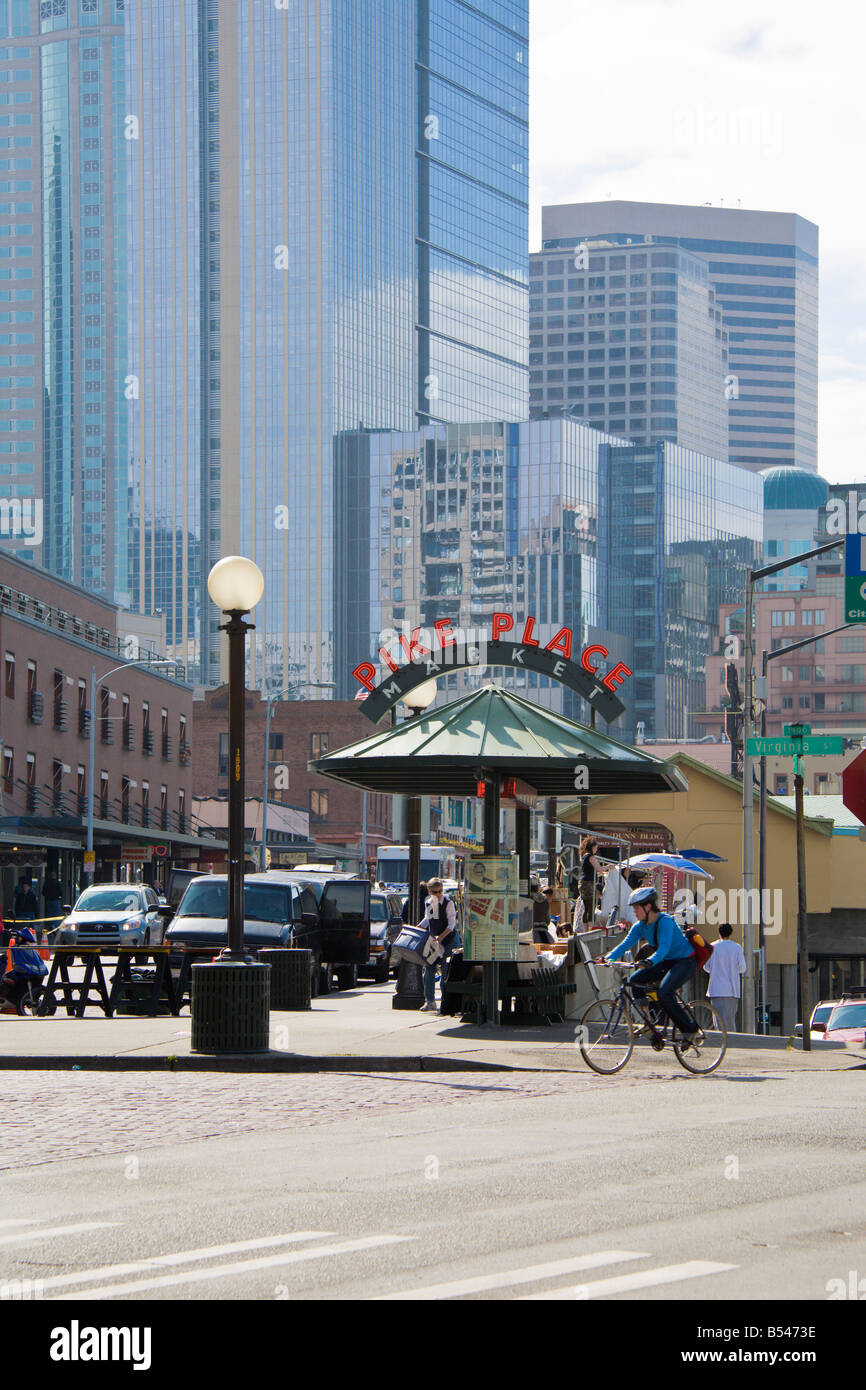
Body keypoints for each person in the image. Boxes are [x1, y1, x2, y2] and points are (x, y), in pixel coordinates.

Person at [596, 885, 700, 1044]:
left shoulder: (665, 922)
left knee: (664, 992)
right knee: (636, 980)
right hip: (666, 961)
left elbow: (664, 949)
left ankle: (691, 1029)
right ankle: (648, 1021)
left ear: (648, 906)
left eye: (637, 907)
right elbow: (624, 945)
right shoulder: (640, 926)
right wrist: (607, 959)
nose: (634, 911)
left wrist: (648, 961)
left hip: (685, 961)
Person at [420, 877, 459, 1011]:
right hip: (435, 940)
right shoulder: (429, 903)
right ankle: (430, 1001)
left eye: (440, 891)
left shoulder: (448, 903)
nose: (438, 894)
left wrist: (440, 937)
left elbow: (451, 924)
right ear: (429, 891)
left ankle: (445, 1002)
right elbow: (428, 919)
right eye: (435, 892)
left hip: (448, 940)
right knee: (428, 968)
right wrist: (418, 928)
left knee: (446, 971)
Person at [703, 923, 746, 1032]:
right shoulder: (737, 947)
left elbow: (706, 967)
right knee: (730, 1021)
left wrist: (715, 971)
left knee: (718, 1021)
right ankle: (733, 1043)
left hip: (716, 989)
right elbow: (743, 968)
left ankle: (722, 1043)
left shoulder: (712, 947)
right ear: (731, 933)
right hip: (732, 990)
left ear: (719, 933)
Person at [578, 837, 601, 923]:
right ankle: (590, 927)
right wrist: (609, 867)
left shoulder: (584, 856)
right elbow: (599, 868)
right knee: (591, 907)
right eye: (596, 847)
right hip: (588, 884)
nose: (596, 849)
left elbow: (590, 870)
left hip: (583, 883)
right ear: (592, 847)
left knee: (586, 907)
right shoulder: (591, 857)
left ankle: (585, 928)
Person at [42, 872, 63, 938]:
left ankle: (51, 926)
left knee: (50, 915)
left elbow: (43, 892)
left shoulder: (47, 883)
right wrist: (59, 896)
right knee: (57, 915)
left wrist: (47, 896)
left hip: (48, 901)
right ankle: (55, 928)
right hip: (55, 900)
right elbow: (60, 892)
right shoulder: (57, 883)